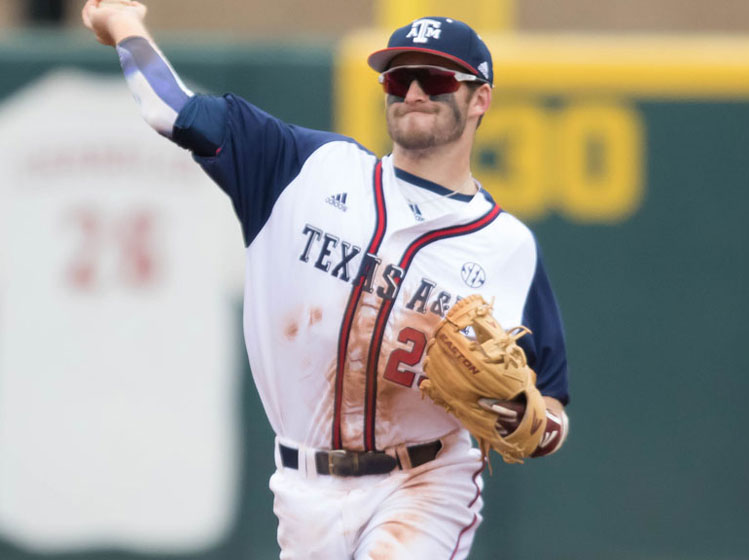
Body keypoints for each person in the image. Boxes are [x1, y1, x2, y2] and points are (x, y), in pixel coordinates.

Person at [82, 2, 571, 558]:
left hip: (425, 482)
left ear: (479, 98)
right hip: (302, 488)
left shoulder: (507, 246)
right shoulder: (305, 167)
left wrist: (534, 423)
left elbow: (550, 400)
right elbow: (170, 107)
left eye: (433, 79)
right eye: (397, 77)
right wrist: (123, 24)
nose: (411, 92)